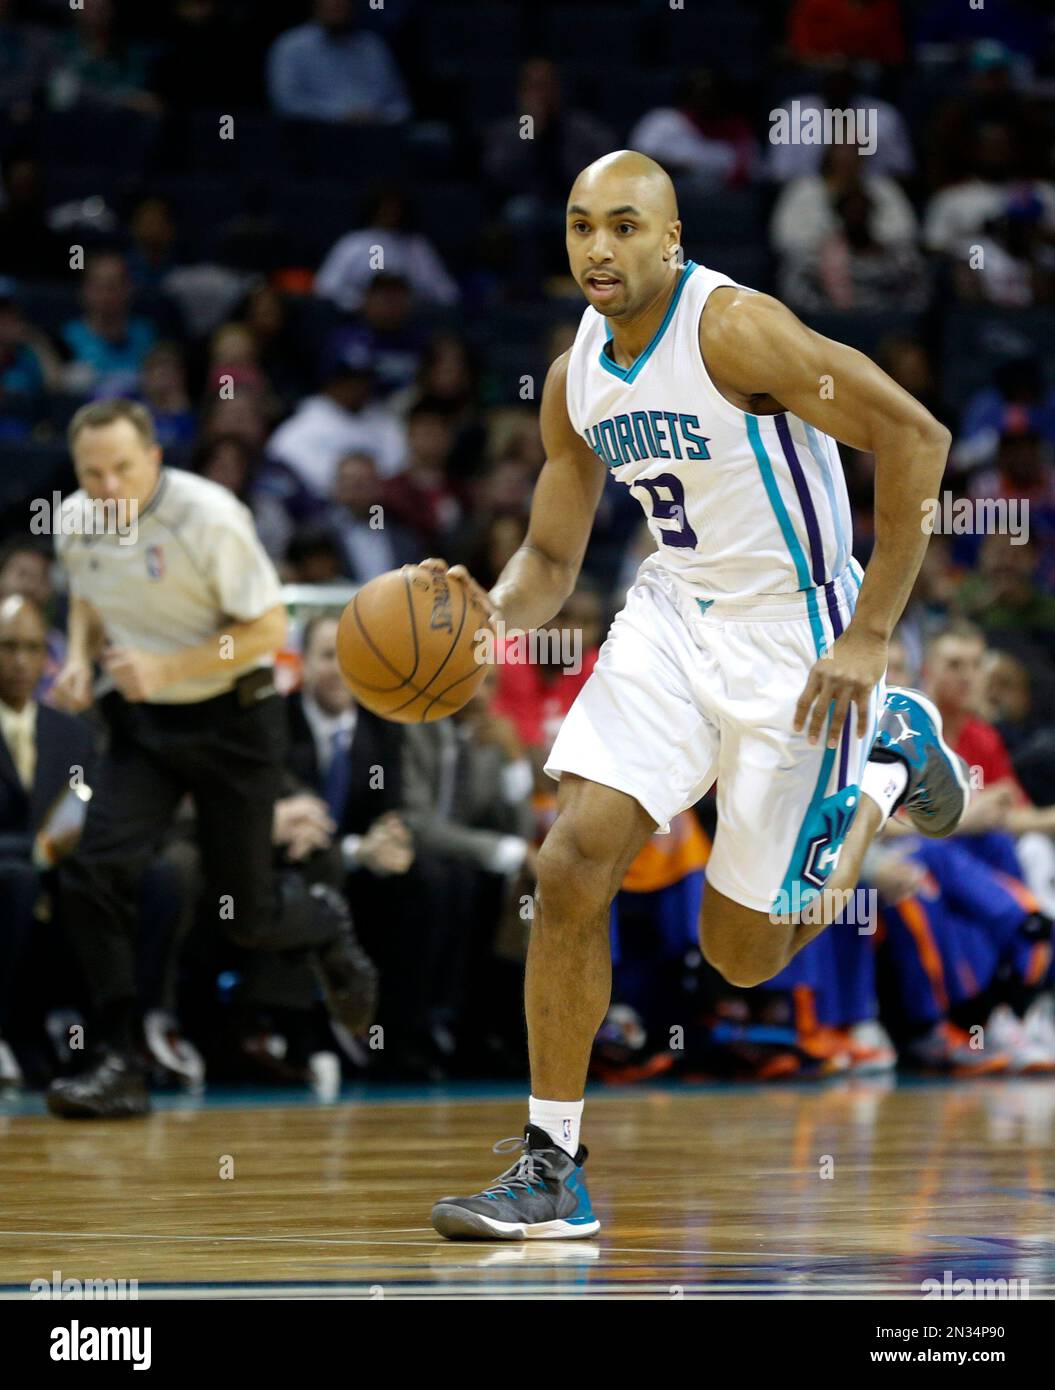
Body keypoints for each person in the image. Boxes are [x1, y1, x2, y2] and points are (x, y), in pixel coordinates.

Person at [424, 149, 968, 1241]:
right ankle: (550, 1164)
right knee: (570, 857)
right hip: (671, 617)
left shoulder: (734, 330)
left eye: (624, 226)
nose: (598, 248)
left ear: (671, 239)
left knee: (742, 951)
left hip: (799, 635)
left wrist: (870, 640)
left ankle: (886, 762)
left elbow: (916, 436)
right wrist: (488, 618)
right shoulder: (578, 367)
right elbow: (547, 551)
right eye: (581, 227)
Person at [46, 399, 376, 1118]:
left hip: (236, 720)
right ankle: (117, 1060)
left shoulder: (209, 516)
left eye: (121, 470)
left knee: (245, 915)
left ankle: (321, 918)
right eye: (91, 473)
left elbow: (264, 628)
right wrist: (76, 660)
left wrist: (170, 668)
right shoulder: (73, 519)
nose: (105, 488)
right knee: (92, 871)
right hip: (147, 727)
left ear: (154, 460)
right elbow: (88, 597)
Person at [0, 595, 96, 1089]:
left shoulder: (73, 733)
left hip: (59, 883)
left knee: (111, 875)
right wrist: (35, 855)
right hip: (10, 878)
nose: (20, 661)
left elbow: (85, 811)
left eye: (32, 648)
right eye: (8, 646)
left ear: (47, 656)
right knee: (17, 882)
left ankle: (117, 1035)